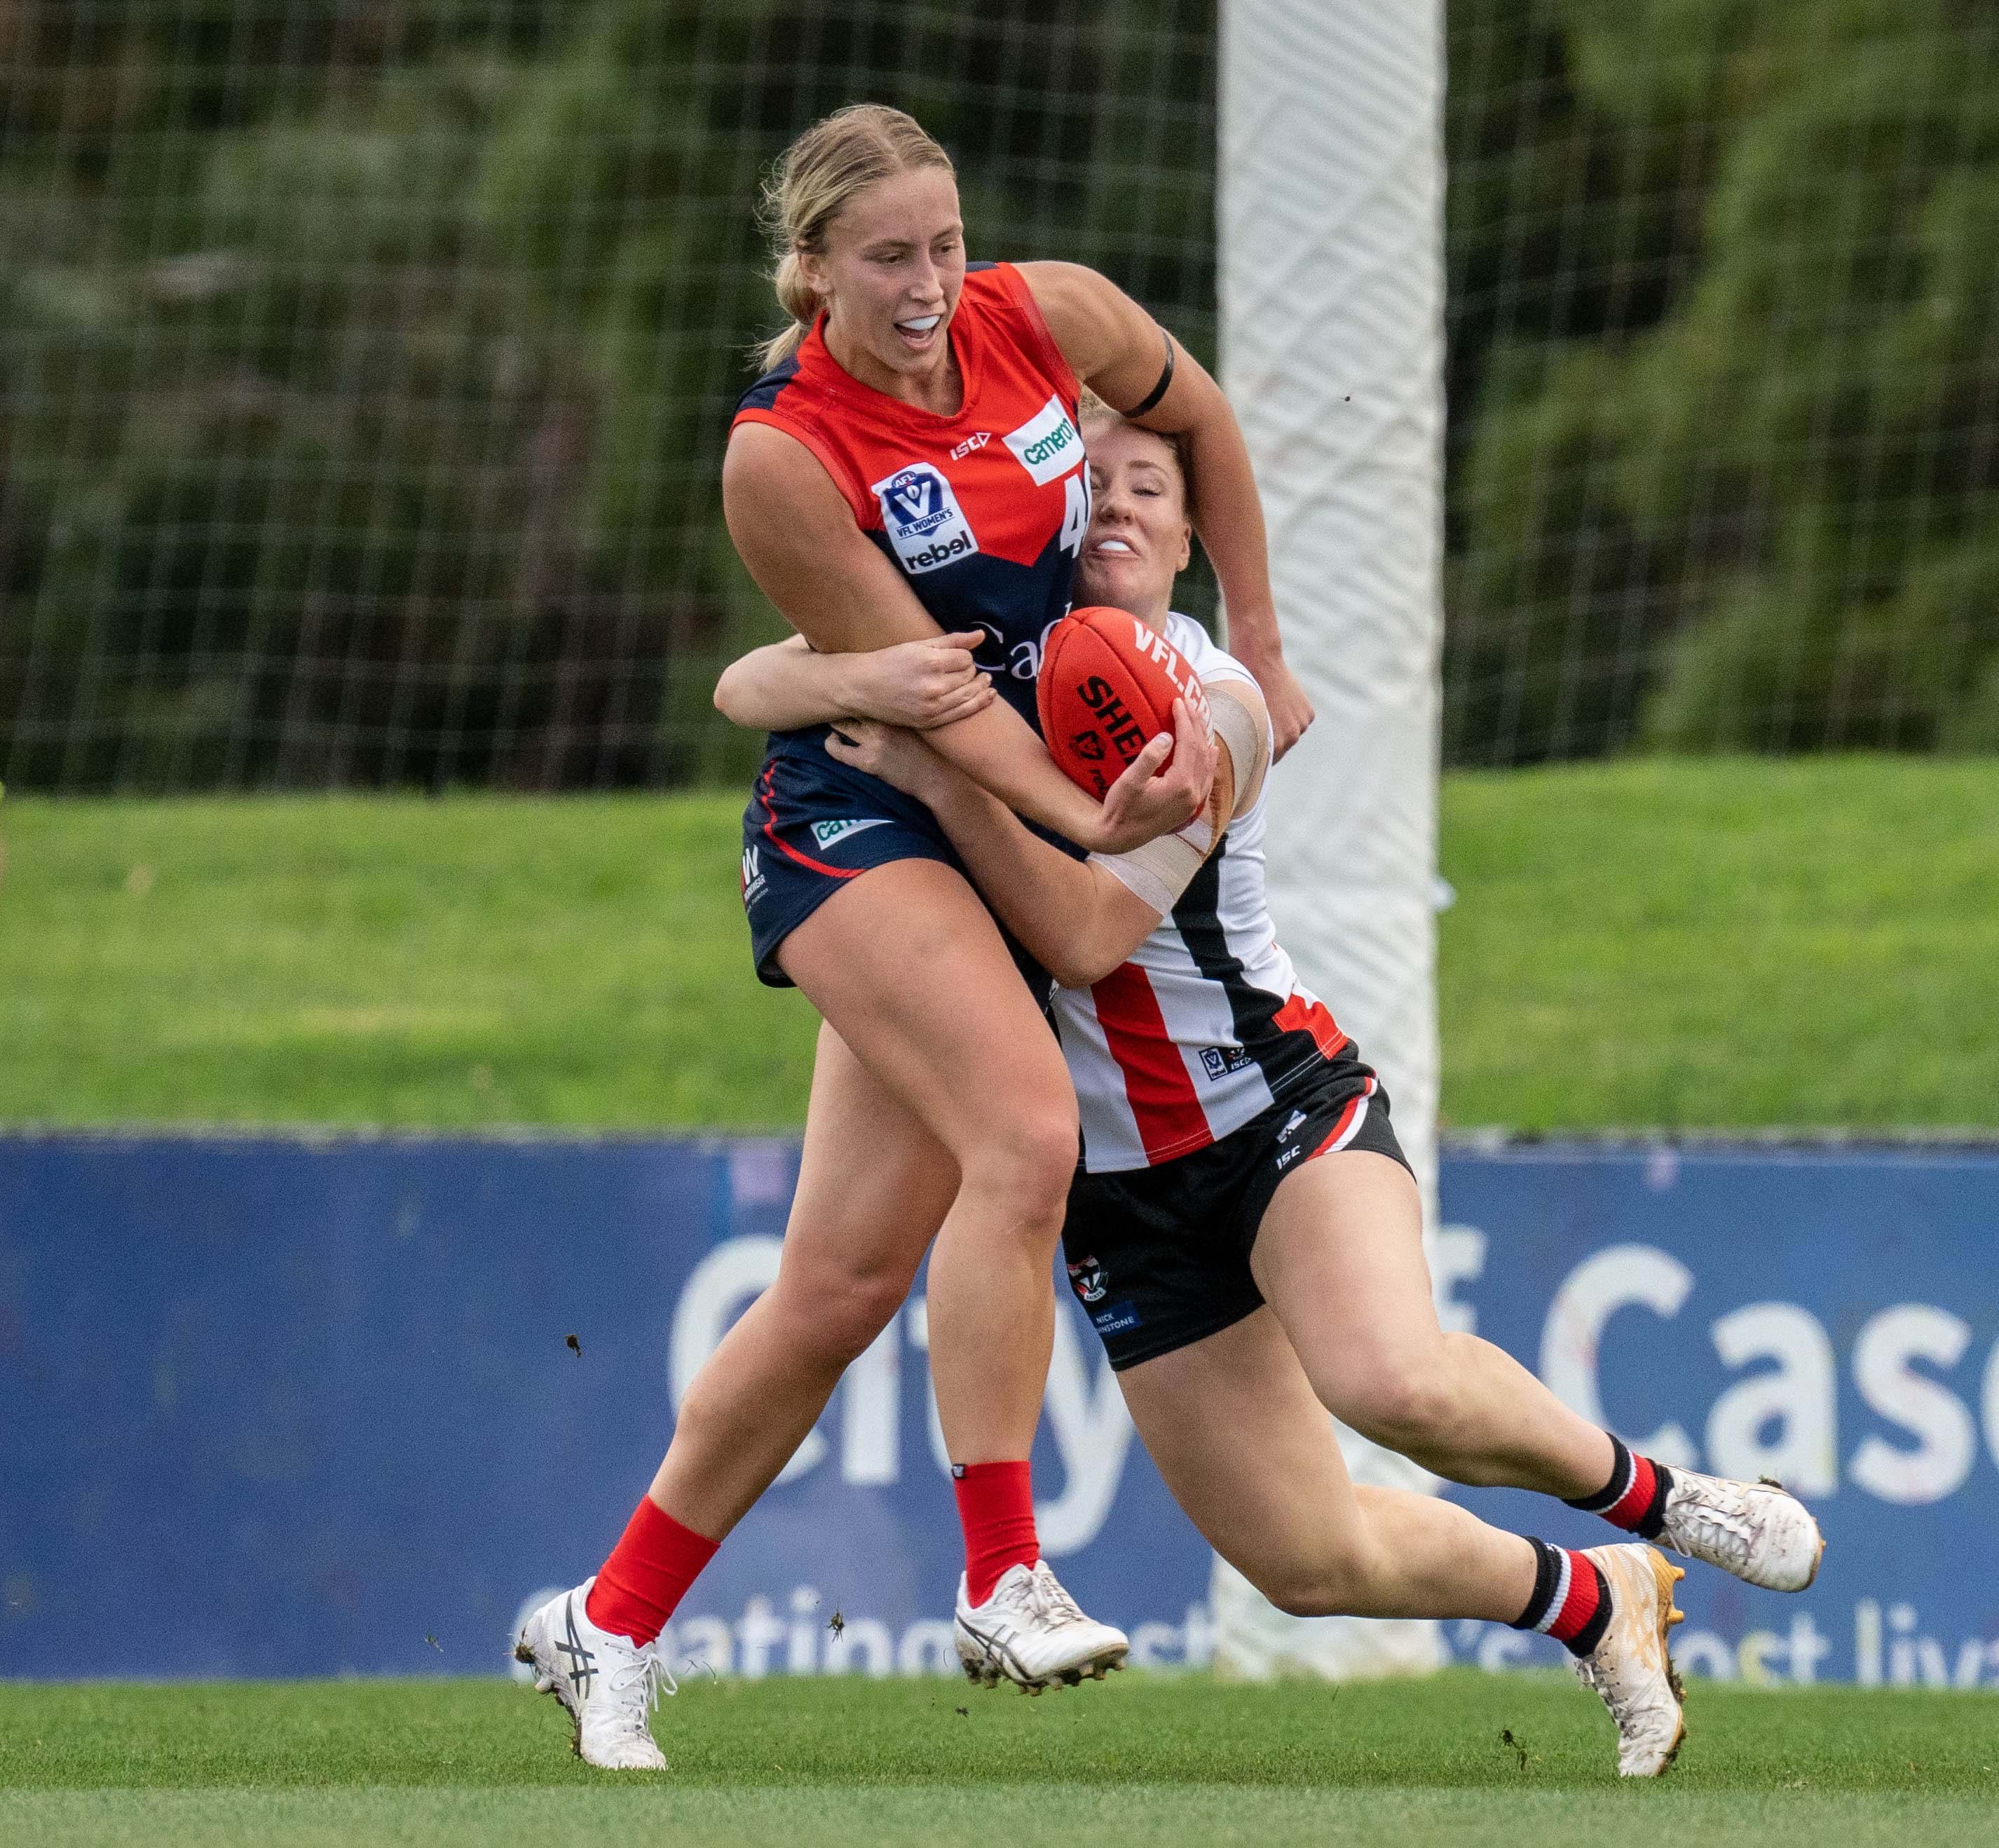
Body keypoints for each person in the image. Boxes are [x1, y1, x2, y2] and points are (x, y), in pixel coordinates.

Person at [719, 398, 1827, 1777]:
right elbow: (746, 684)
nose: (1119, 508)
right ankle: (1593, 1599)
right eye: (1099, 488)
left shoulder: (1214, 698)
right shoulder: (976, 659)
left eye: (1151, 489)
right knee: (1308, 1558)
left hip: (1273, 1115)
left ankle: (1669, 1503)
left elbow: (1080, 936)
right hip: (1121, 1201)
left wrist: (942, 789)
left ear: (1192, 536)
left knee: (1390, 1379)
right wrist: (853, 686)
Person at [515, 104, 1308, 1769]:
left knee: (838, 1282)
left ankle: (607, 1623)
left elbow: (1209, 422)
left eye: (944, 243)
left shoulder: (1051, 313)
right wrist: (1087, 821)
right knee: (1026, 1127)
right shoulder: (782, 453)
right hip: (866, 810)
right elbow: (932, 704)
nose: (931, 282)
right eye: (888, 256)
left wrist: (1258, 640)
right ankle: (1005, 1568)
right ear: (809, 269)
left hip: (990, 808)